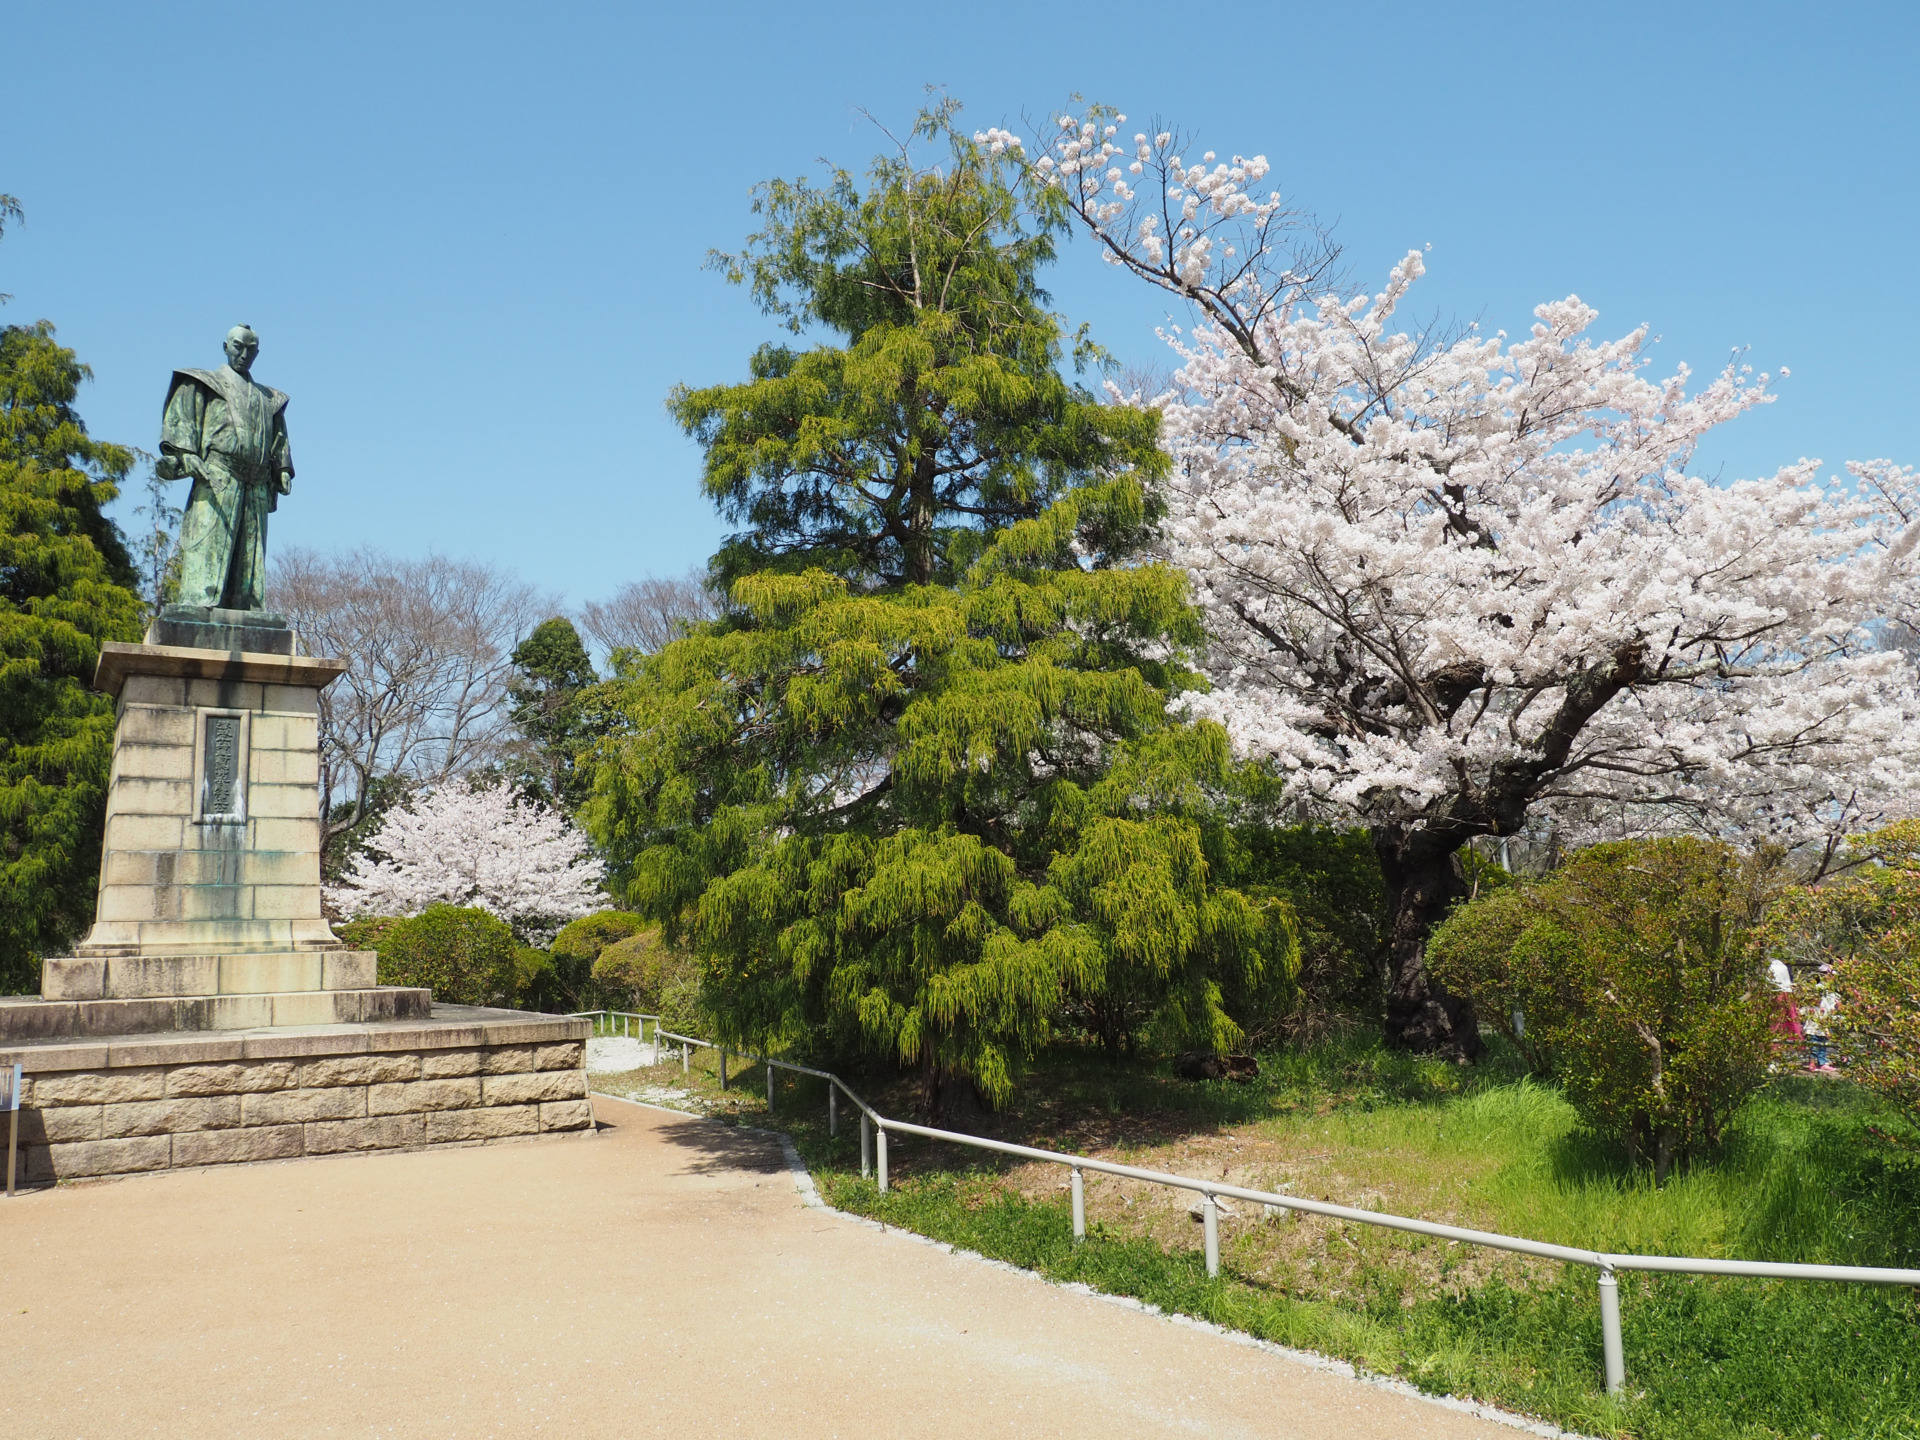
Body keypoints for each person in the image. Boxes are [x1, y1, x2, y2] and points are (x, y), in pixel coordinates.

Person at [156, 325, 294, 611]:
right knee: (208, 543)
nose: (243, 355)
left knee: (250, 554)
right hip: (217, 473)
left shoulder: (268, 398)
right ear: (225, 346)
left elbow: (278, 435)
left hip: (255, 481)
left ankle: (247, 607)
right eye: (237, 347)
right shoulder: (203, 382)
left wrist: (281, 468)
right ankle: (198, 602)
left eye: (250, 350)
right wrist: (185, 453)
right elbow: (182, 419)